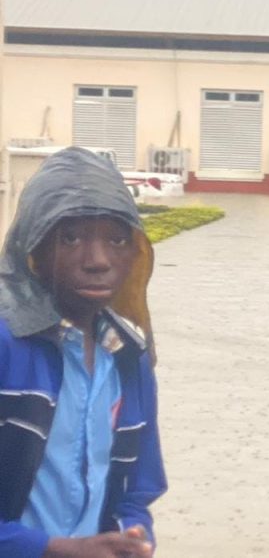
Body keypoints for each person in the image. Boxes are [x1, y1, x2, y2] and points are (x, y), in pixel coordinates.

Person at [0, 147, 166, 558]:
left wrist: (131, 537)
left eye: (117, 239)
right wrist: (51, 548)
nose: (98, 261)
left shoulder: (129, 358)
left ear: (136, 253)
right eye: (71, 238)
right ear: (35, 250)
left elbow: (136, 493)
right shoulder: (8, 347)